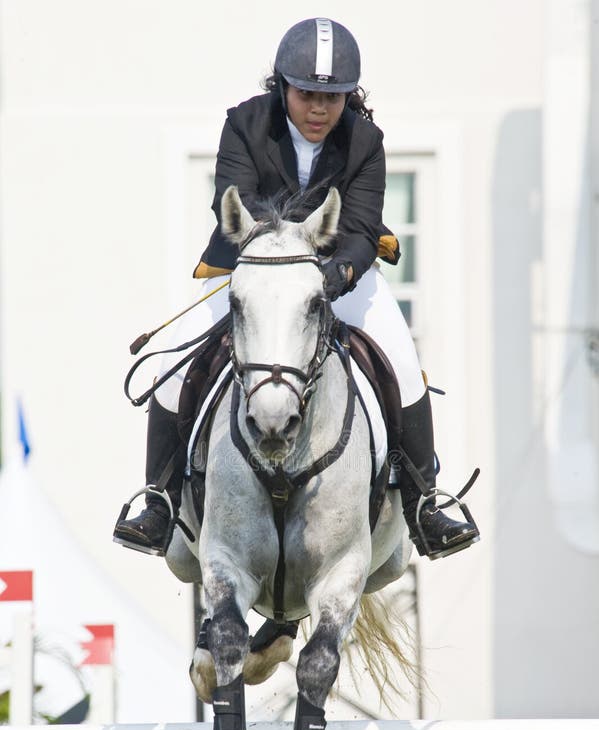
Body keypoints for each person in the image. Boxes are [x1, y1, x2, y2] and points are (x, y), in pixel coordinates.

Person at [113, 17, 479, 560]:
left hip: (339, 275)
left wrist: (335, 276)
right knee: (175, 359)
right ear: (282, 86)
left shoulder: (366, 141)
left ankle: (426, 502)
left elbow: (360, 226)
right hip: (256, 266)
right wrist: (286, 255)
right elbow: (231, 202)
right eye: (307, 94)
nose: (318, 109)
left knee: (402, 357)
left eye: (331, 98)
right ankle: (159, 499)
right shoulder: (245, 124)